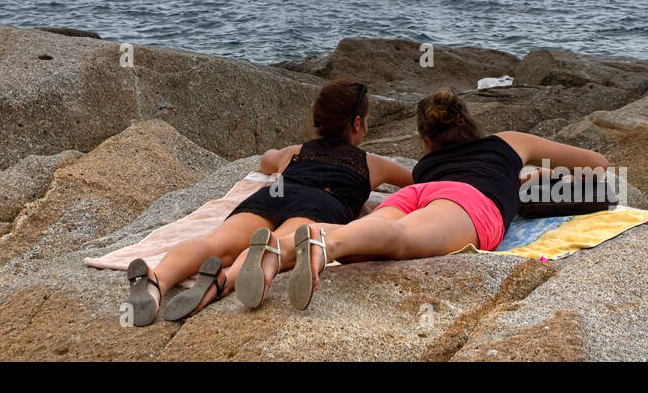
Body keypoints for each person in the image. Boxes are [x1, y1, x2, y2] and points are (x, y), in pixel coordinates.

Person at [282, 88, 610, 310]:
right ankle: (326, 246)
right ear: (468, 120)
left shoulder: (425, 167)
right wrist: (536, 177)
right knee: (399, 239)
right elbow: (597, 164)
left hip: (418, 193)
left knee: (373, 231)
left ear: (427, 140)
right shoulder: (508, 142)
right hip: (468, 201)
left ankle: (271, 251)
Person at [124, 80, 413, 325]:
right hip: (323, 203)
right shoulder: (372, 165)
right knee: (273, 245)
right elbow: (417, 181)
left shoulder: (295, 152)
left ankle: (156, 281)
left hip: (277, 194)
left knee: (216, 243)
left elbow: (265, 160)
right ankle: (221, 282)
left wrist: (281, 159)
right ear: (357, 123)